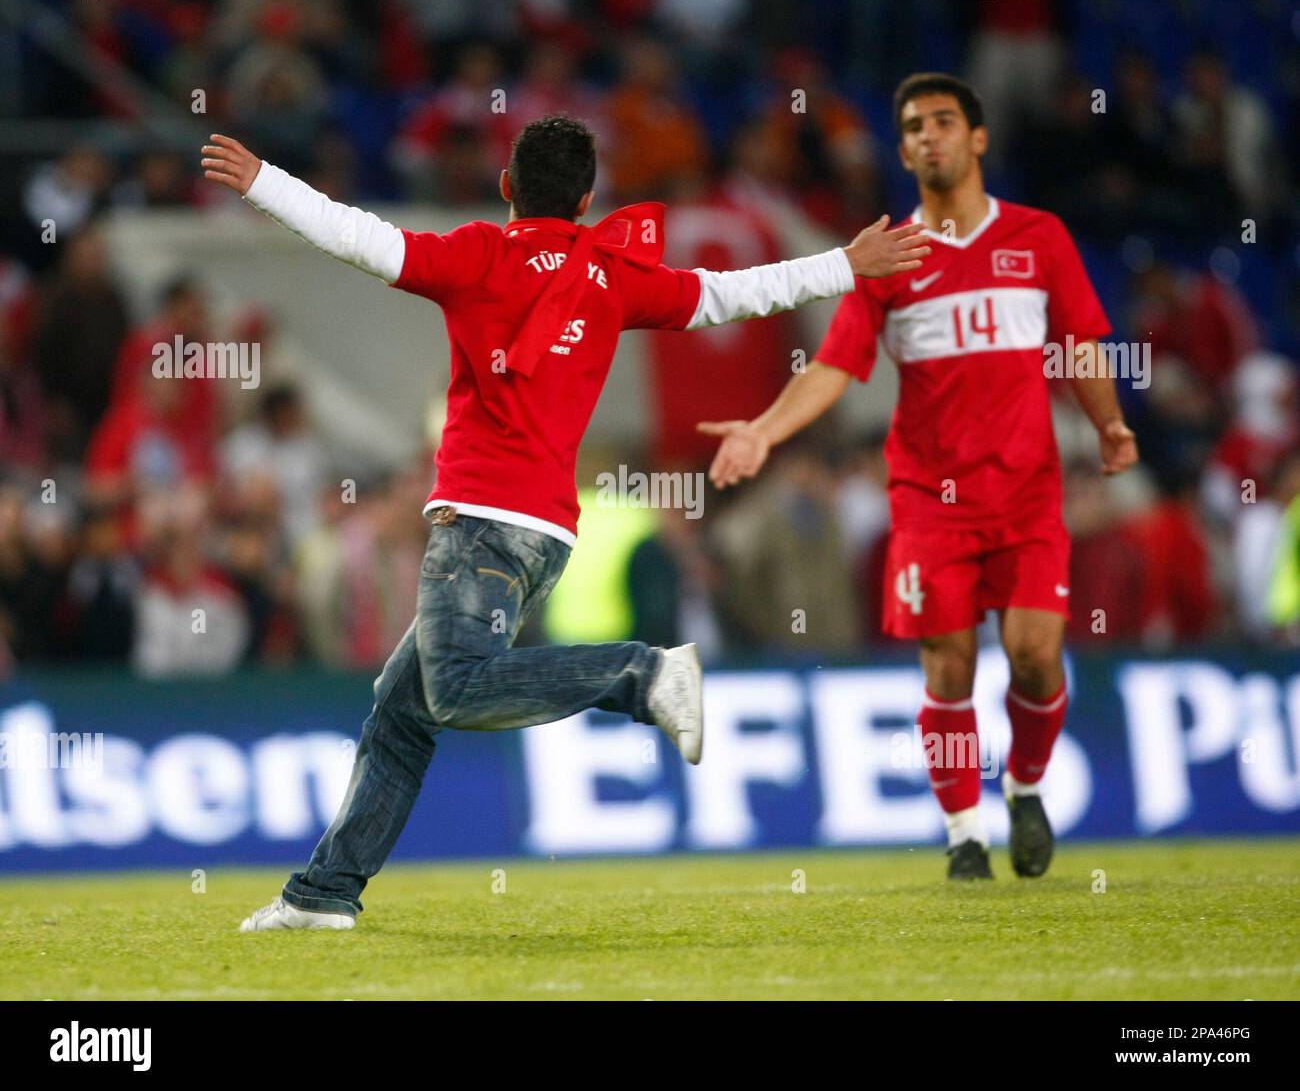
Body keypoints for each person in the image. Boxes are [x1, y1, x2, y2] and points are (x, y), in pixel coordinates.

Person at [201, 114, 930, 929]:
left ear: (508, 186)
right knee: (401, 712)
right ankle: (325, 895)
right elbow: (734, 293)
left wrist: (263, 180)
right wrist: (845, 263)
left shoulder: (478, 254)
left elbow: (357, 237)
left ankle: (642, 675)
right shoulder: (612, 273)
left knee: (456, 688)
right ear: (586, 198)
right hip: (544, 533)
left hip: (478, 522)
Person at [700, 75, 1138, 881]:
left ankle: (1027, 788)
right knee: (949, 664)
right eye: (913, 127)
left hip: (1029, 490)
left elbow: (1080, 342)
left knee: (1035, 654)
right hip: (931, 498)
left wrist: (1108, 424)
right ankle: (964, 832)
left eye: (944, 121)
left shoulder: (1039, 238)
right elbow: (836, 366)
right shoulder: (890, 258)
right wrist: (764, 430)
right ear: (901, 151)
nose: (929, 135)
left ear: (977, 139)